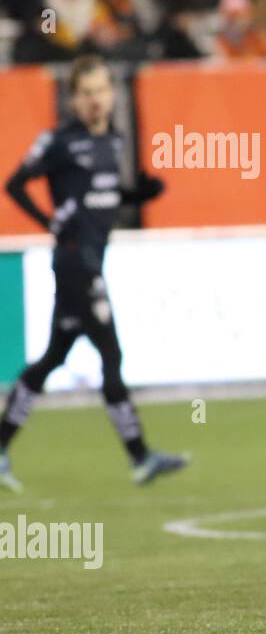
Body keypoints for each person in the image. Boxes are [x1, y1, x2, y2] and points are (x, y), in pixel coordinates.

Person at [1, 56, 189, 491]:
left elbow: (101, 197)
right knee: (111, 354)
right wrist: (49, 224)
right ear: (74, 98)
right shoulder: (58, 142)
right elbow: (14, 184)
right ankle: (140, 457)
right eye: (86, 92)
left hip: (90, 261)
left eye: (101, 90)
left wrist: (136, 195)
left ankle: (1, 446)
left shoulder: (115, 140)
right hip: (75, 265)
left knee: (52, 358)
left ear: (112, 93)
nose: (95, 99)